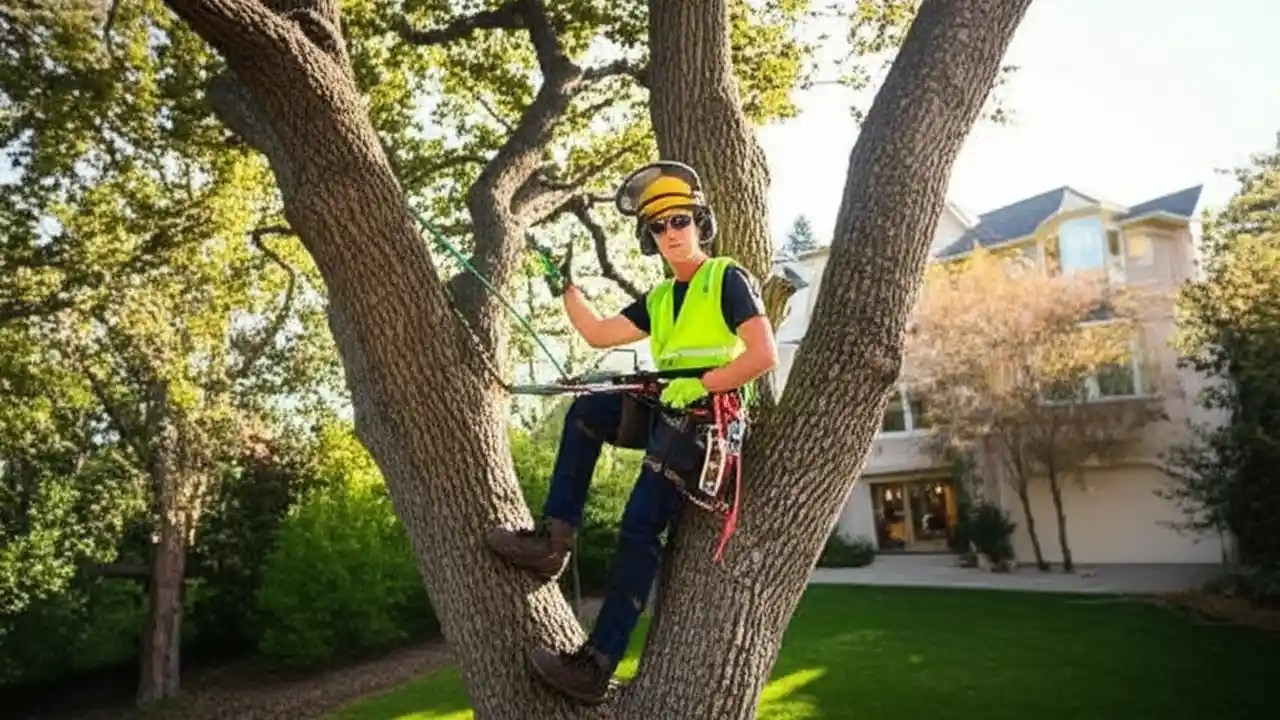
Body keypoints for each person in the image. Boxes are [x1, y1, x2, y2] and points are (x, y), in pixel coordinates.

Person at [483, 161, 779, 703]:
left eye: (681, 220)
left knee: (639, 526)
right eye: (660, 226)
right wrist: (567, 289)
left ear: (700, 223)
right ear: (650, 237)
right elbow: (598, 334)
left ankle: (596, 667)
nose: (672, 233)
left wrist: (705, 384)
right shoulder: (662, 298)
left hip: (707, 419)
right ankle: (554, 538)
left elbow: (762, 355)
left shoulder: (727, 277)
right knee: (587, 412)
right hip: (668, 405)